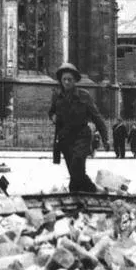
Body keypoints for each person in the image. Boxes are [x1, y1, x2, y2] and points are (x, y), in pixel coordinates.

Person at [49, 62, 109, 192]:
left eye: (69, 79)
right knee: (75, 172)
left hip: (81, 136)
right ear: (60, 80)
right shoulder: (57, 96)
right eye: (64, 79)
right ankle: (78, 192)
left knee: (77, 164)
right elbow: (51, 112)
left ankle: (94, 191)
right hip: (65, 139)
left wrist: (106, 139)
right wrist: (53, 117)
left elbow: (97, 117)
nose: (66, 82)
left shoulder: (84, 95)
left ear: (75, 80)